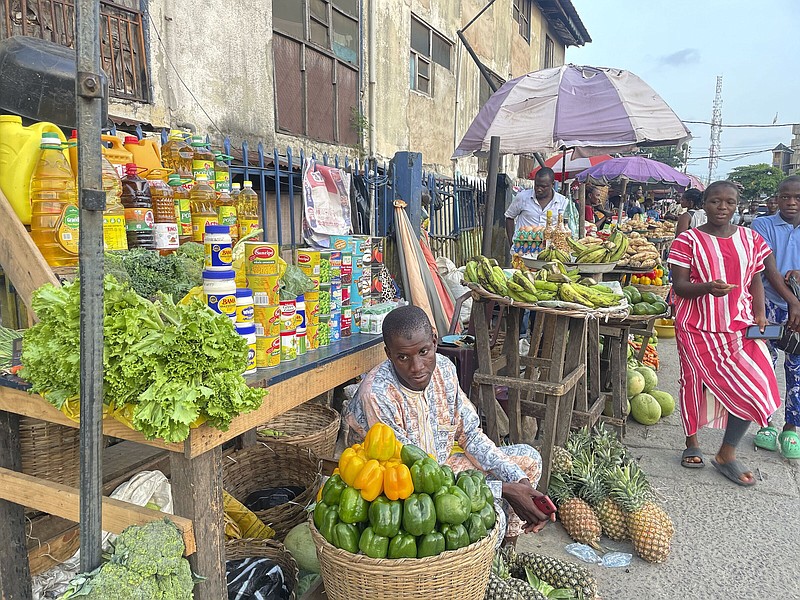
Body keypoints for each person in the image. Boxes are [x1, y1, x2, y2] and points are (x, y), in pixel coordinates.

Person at [344, 305, 554, 538]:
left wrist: (519, 483)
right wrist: (504, 490)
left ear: (434, 341)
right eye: (403, 357)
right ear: (388, 354)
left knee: (528, 461)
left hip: (444, 466)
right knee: (492, 519)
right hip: (398, 491)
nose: (417, 367)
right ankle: (490, 553)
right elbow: (414, 474)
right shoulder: (377, 394)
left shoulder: (444, 369)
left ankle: (509, 549)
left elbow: (470, 436)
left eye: (423, 352)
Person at [667, 180, 780, 485]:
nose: (723, 208)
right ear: (704, 203)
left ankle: (726, 453)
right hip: (695, 328)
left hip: (738, 326)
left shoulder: (750, 239)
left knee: (758, 386)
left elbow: (756, 279)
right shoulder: (687, 240)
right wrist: (706, 288)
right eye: (716, 201)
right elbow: (679, 286)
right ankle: (692, 443)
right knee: (693, 382)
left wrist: (759, 314)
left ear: (737, 205)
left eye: (730, 202)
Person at [751, 175, 800, 458]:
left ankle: (791, 428)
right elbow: (766, 268)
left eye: (796, 197)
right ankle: (765, 422)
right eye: (785, 196)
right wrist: (791, 300)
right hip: (767, 305)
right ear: (777, 198)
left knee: (797, 369)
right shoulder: (763, 225)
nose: (791, 202)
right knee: (764, 365)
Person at [505, 167, 569, 246]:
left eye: (543, 186)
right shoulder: (522, 197)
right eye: (537, 185)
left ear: (552, 185)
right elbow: (509, 217)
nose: (539, 189)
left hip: (549, 251)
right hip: (522, 250)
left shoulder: (562, 202)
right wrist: (512, 242)